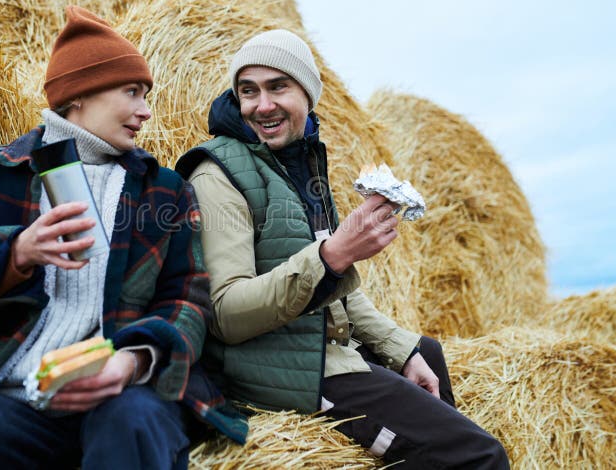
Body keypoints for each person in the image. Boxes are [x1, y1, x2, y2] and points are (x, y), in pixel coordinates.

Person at [0, 6, 245, 470]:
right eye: (133, 92)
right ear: (80, 94)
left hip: (125, 394)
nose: (146, 111)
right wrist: (14, 256)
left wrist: (134, 362)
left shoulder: (165, 191)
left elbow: (188, 302)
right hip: (14, 398)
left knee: (132, 425)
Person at [176, 29, 509, 468]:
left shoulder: (300, 162)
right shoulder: (217, 173)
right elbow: (227, 314)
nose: (263, 105)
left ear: (309, 95)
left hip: (318, 343)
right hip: (278, 369)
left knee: (428, 353)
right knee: (479, 455)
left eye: (279, 86)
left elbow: (338, 292)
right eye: (248, 91)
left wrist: (401, 348)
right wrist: (332, 255)